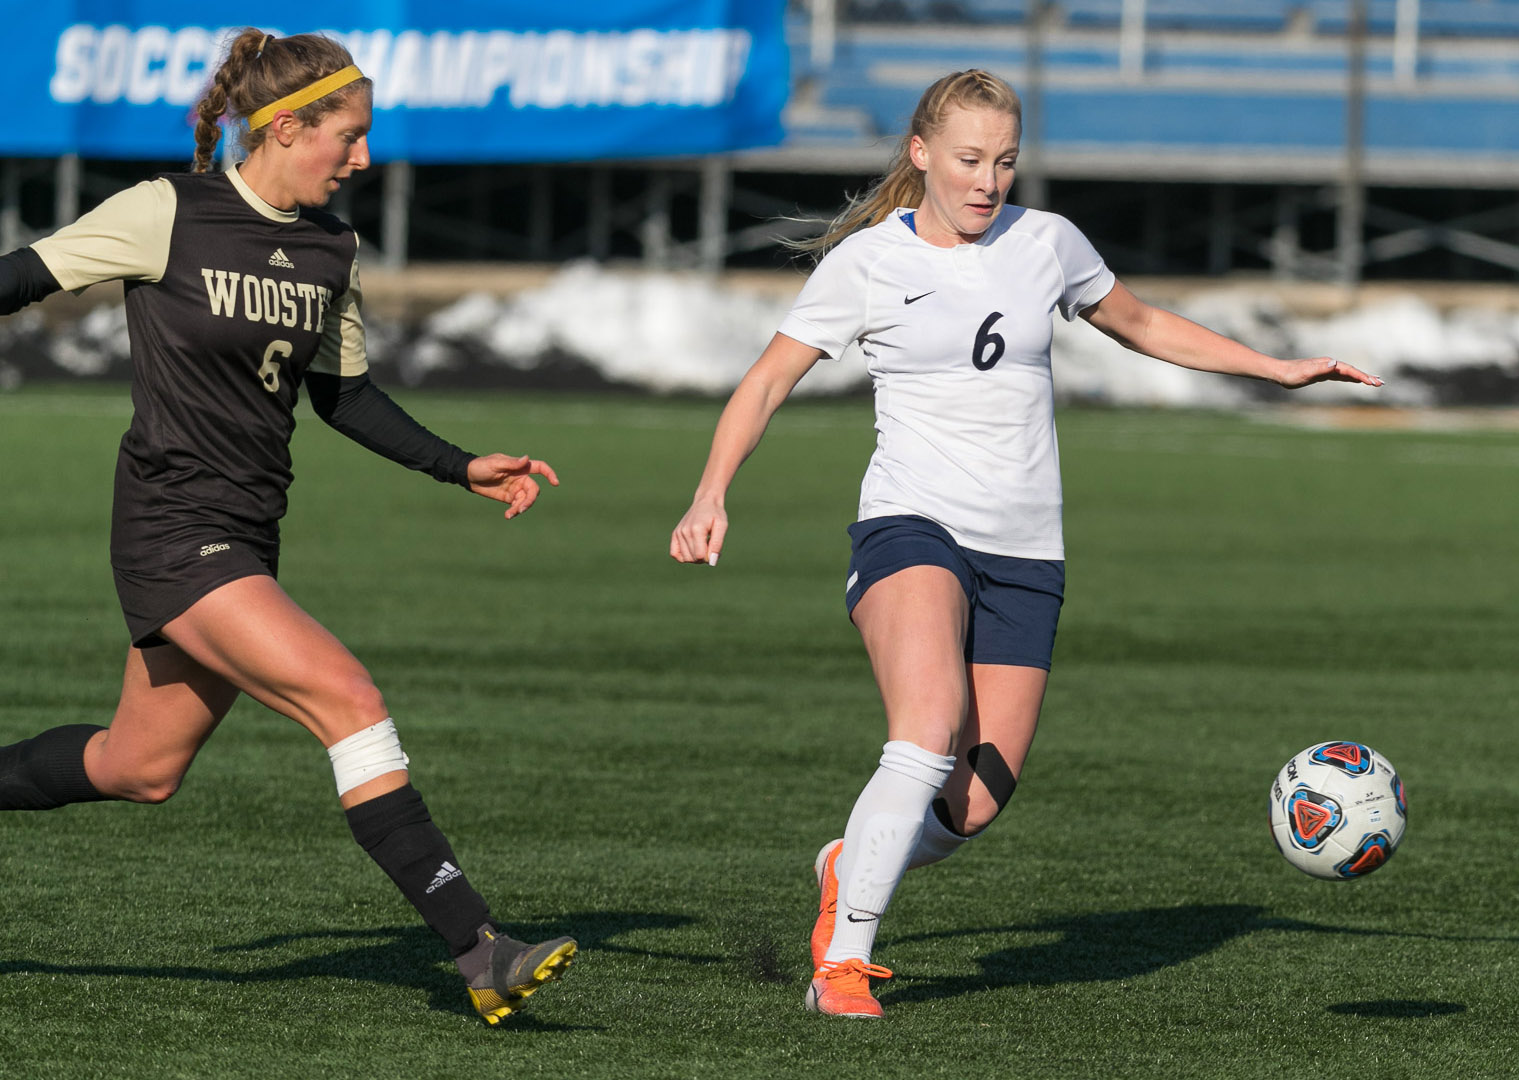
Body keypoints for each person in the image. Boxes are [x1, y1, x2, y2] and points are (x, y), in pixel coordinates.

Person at [668, 69, 1382, 1018]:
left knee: (973, 804)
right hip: (911, 524)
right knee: (925, 730)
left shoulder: (1047, 243)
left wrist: (1271, 366)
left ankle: (852, 860)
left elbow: (1141, 324)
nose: (987, 180)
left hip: (1025, 555)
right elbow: (763, 383)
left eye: (1004, 161)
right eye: (968, 159)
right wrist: (711, 492)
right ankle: (843, 965)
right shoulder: (869, 264)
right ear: (921, 154)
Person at [0, 29, 574, 1025]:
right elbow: (19, 277)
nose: (362, 159)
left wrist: (460, 464)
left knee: (140, 768)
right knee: (348, 698)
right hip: (172, 529)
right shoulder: (164, 213)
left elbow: (344, 398)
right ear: (285, 127)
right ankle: (480, 949)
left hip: (248, 533)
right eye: (345, 138)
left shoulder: (332, 249)